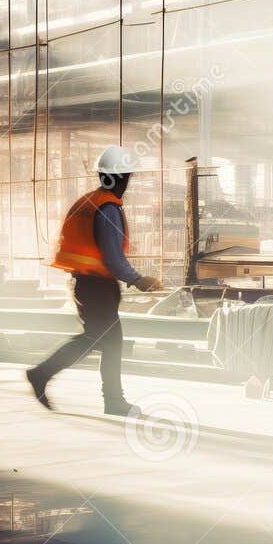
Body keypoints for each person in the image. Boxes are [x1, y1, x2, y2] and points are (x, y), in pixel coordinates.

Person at [26, 144, 163, 417]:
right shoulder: (108, 208)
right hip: (97, 286)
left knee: (108, 342)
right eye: (128, 177)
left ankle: (112, 399)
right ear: (121, 178)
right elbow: (112, 257)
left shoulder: (88, 201)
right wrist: (138, 279)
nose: (128, 182)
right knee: (97, 340)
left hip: (86, 283)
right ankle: (43, 373)